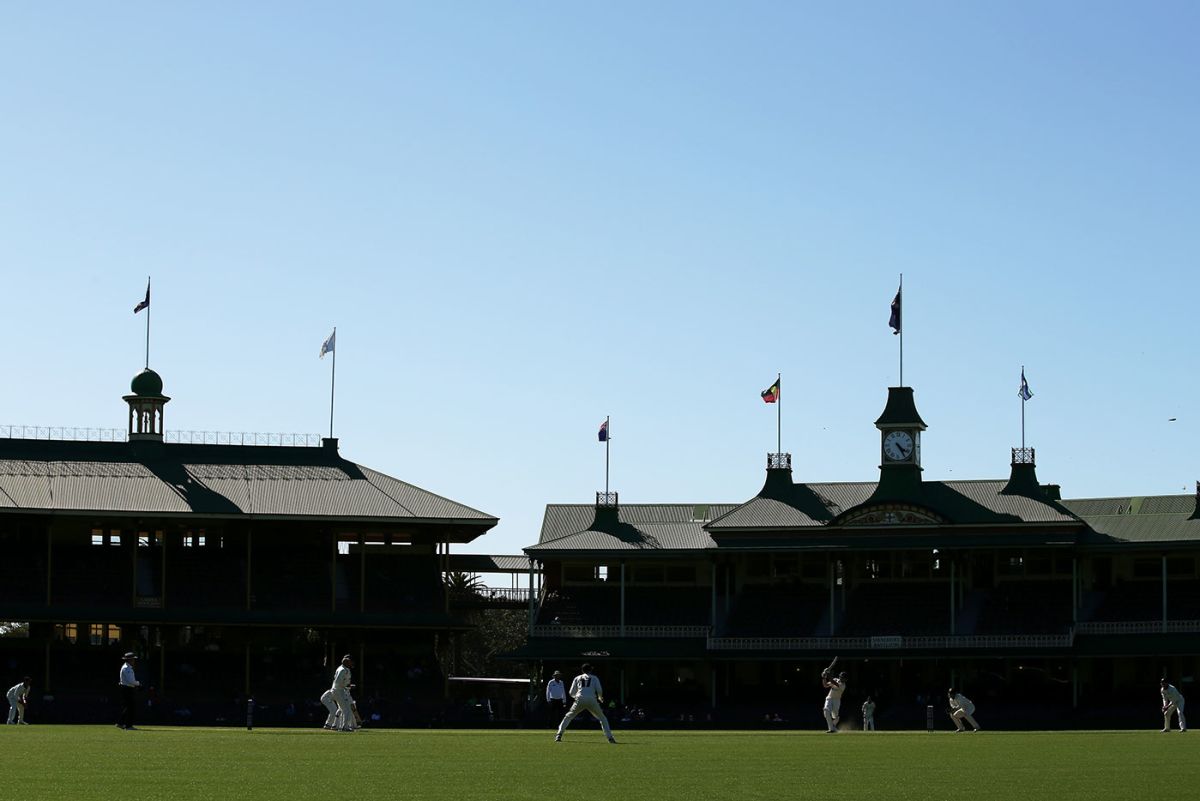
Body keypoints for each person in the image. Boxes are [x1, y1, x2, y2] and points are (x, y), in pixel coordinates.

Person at [555, 663, 616, 743]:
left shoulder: (577, 678)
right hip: (592, 700)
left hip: (580, 698)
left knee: (568, 717)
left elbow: (571, 692)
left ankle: (559, 735)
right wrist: (600, 697)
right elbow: (599, 690)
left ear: (582, 670)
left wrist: (577, 697)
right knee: (602, 718)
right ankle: (610, 738)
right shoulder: (594, 678)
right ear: (590, 670)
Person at [330, 655, 355, 732]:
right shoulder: (343, 670)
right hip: (338, 691)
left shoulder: (342, 668)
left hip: (339, 690)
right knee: (346, 709)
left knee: (343, 709)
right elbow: (338, 682)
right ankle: (344, 727)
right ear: (346, 662)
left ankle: (337, 726)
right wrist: (349, 685)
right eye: (349, 662)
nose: (351, 663)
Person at [118, 653, 140, 730]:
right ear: (130, 660)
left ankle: (120, 723)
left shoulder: (127, 667)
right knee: (130, 707)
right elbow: (131, 681)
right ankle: (128, 725)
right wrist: (138, 683)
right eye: (133, 659)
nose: (134, 661)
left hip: (126, 688)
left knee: (128, 707)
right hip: (127, 689)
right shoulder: (127, 668)